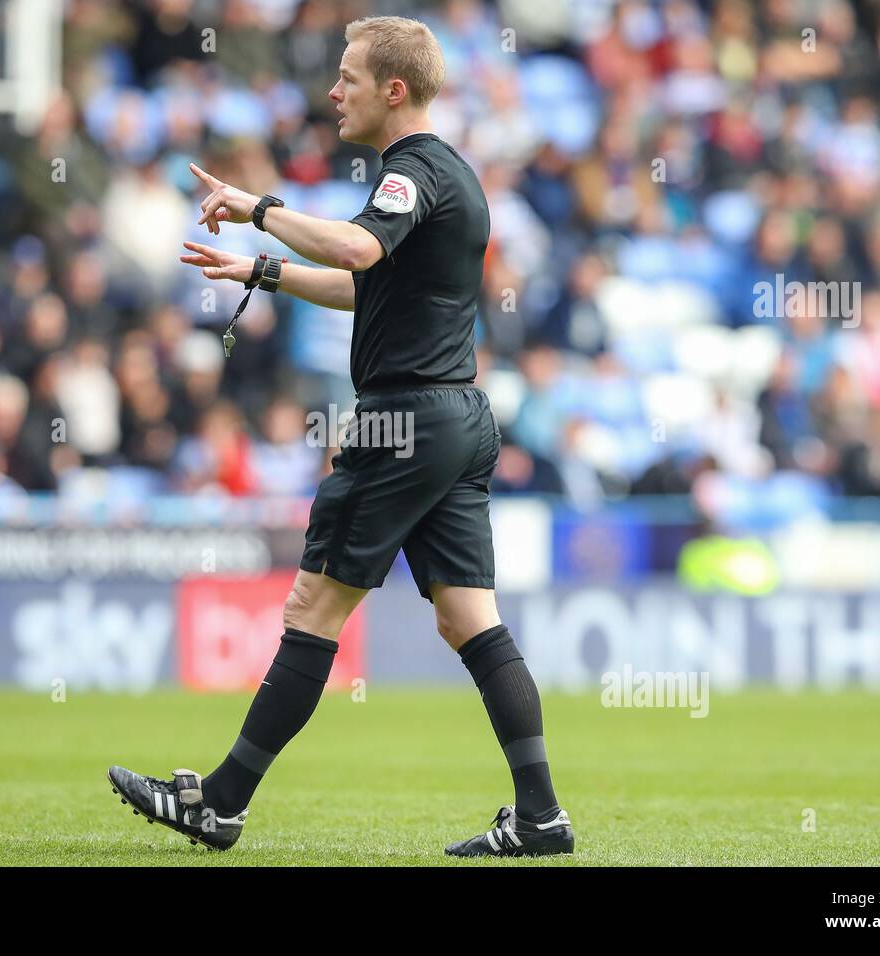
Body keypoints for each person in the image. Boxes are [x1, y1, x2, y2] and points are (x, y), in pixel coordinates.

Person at [108, 15, 573, 858]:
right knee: (470, 619)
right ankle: (541, 817)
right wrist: (263, 270)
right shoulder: (452, 176)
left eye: (349, 78)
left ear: (393, 90)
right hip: (460, 419)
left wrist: (259, 209)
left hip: (404, 423)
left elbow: (360, 248)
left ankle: (220, 804)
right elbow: (377, 289)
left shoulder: (409, 174)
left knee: (312, 607)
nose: (332, 91)